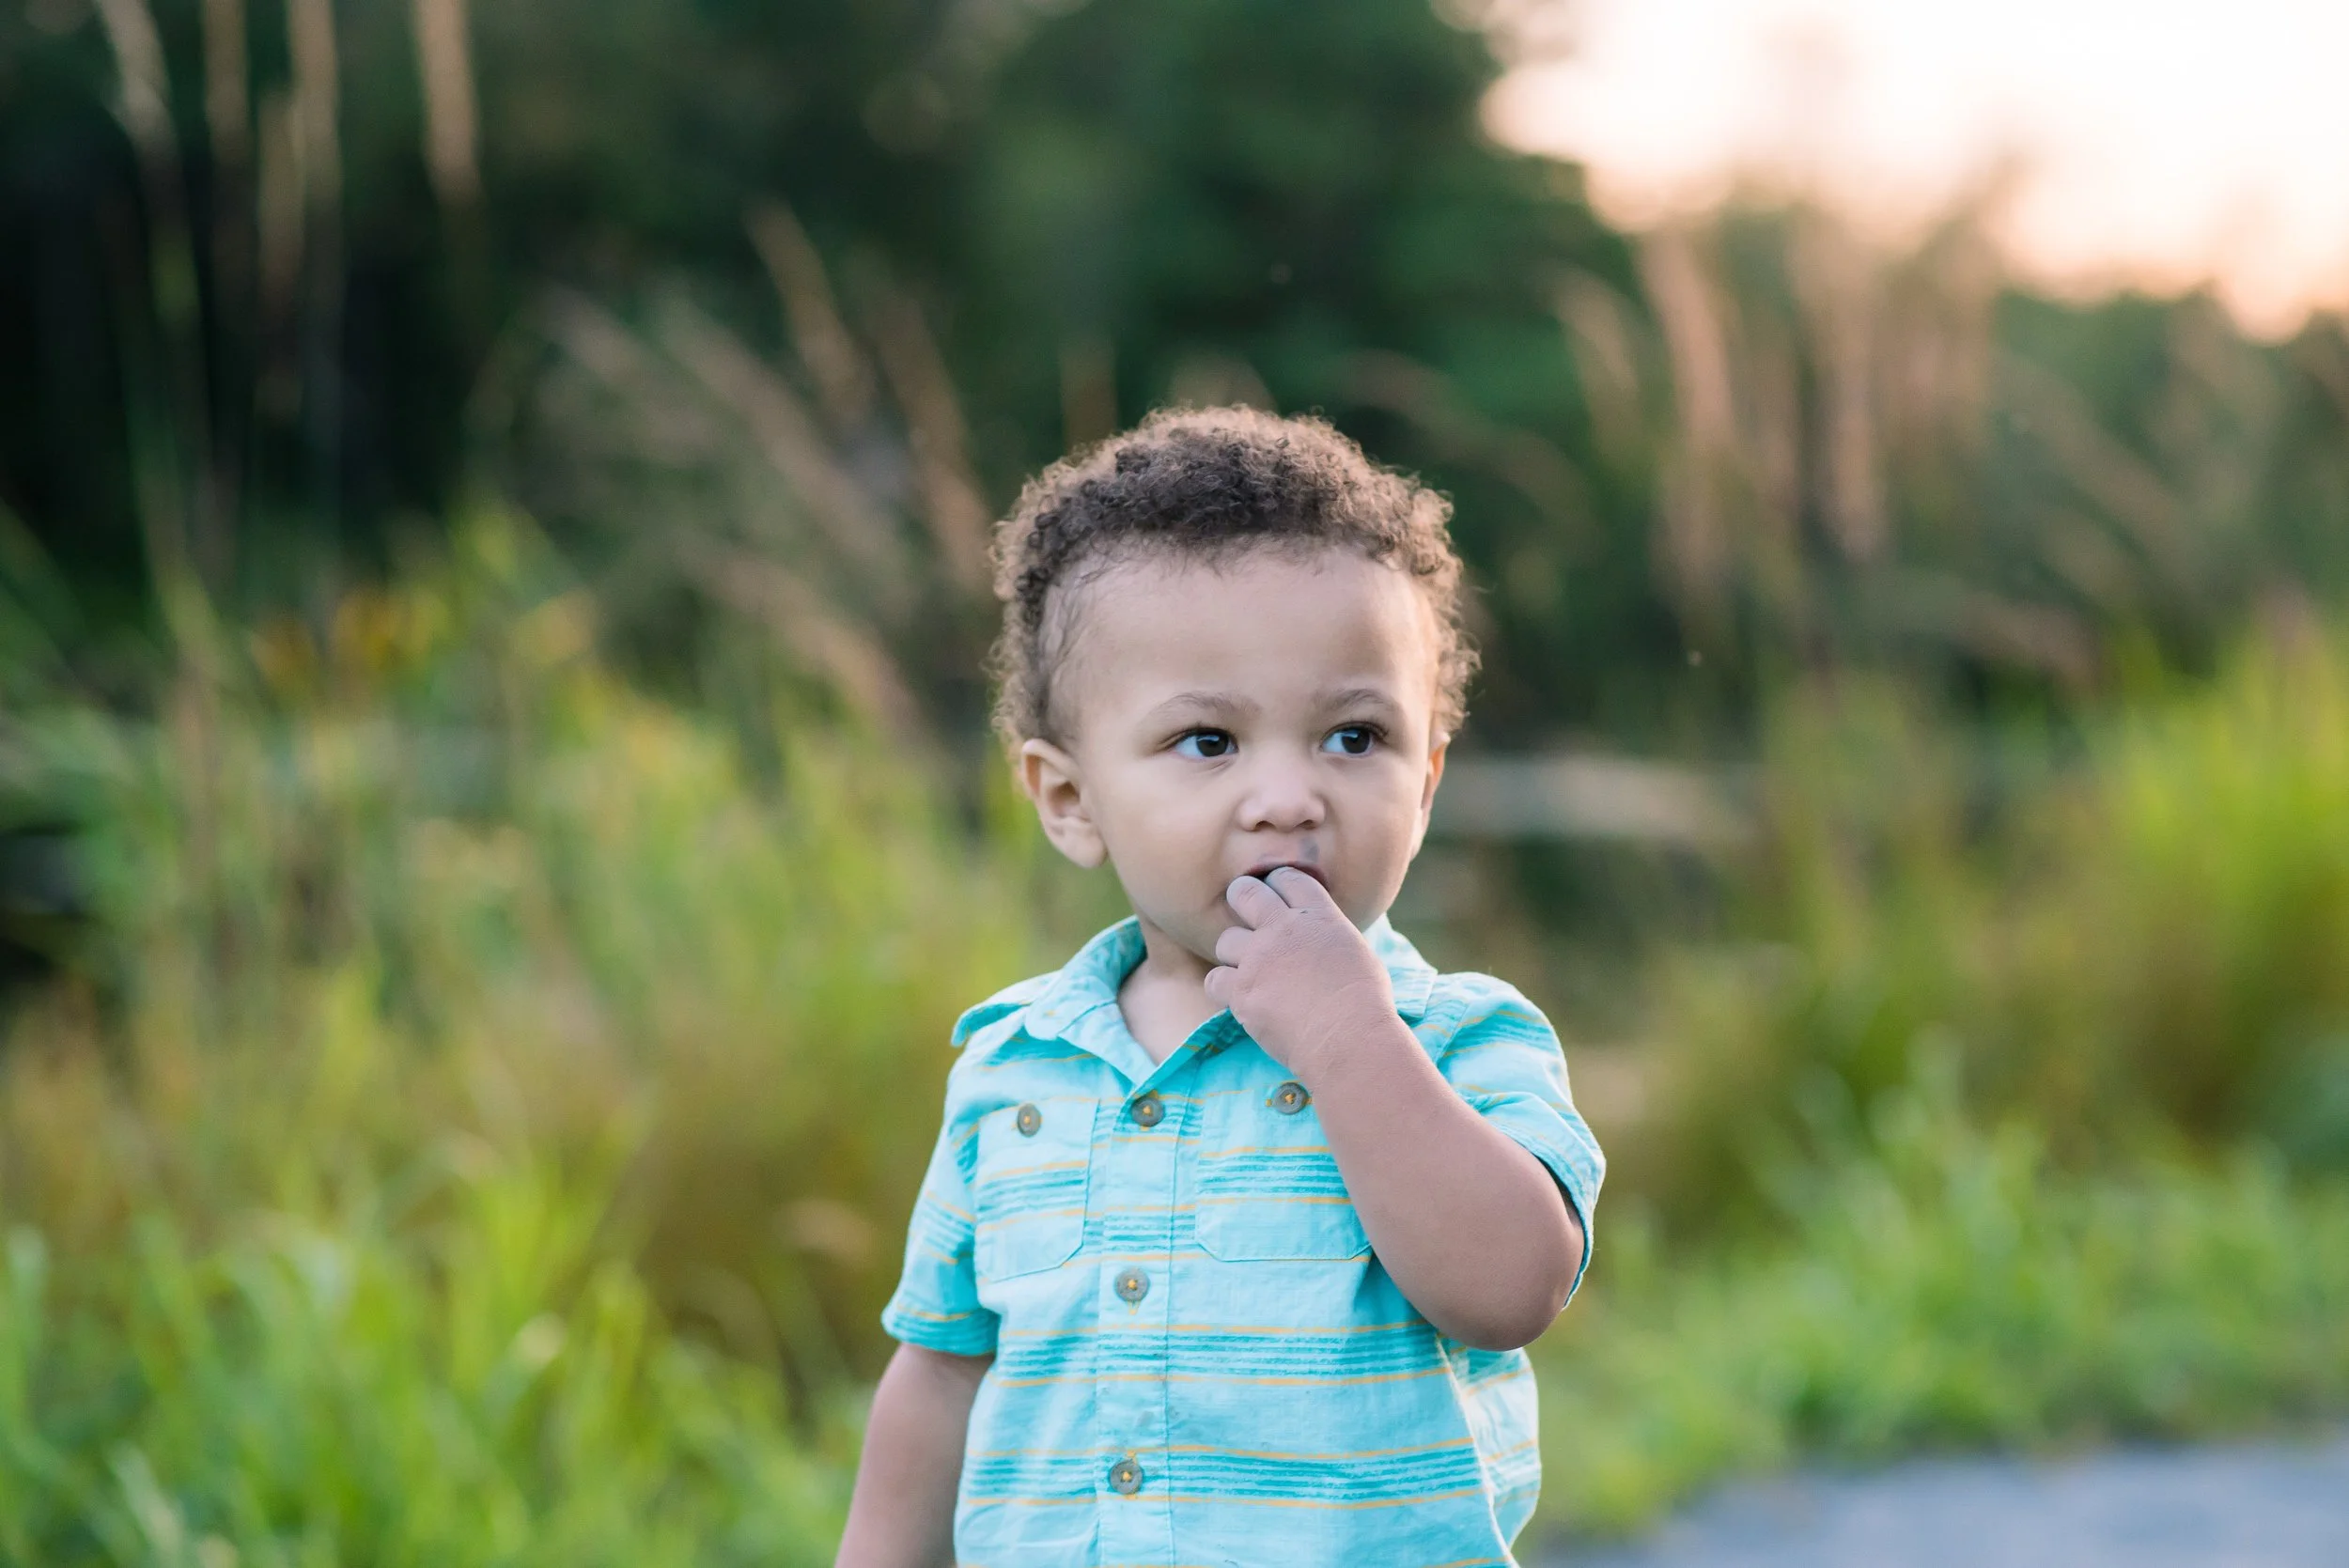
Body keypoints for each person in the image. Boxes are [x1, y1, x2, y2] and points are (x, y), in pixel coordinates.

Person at [834, 408, 1605, 1568]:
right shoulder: (1014, 1067)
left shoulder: (1459, 1038)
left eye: (1353, 737)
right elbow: (943, 1372)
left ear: (1428, 778)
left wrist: (1348, 1035)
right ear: (1068, 799)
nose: (1288, 797)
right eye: (1207, 742)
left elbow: (1510, 1288)